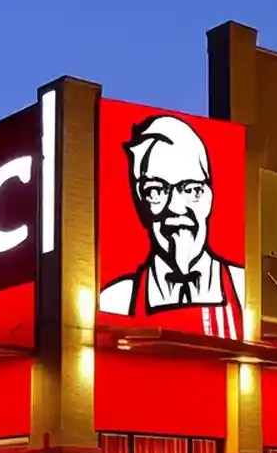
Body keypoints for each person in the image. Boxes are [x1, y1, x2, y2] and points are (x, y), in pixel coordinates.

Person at [99, 115, 245, 339]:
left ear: (209, 198)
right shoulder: (116, 301)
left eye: (191, 189)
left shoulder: (244, 288)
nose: (176, 207)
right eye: (157, 191)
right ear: (141, 203)